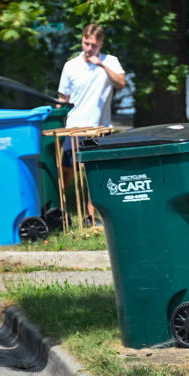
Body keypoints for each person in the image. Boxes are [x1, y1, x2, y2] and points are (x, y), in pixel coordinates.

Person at [57, 23, 126, 226]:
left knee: (95, 172)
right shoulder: (71, 66)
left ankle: (90, 217)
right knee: (68, 168)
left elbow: (121, 83)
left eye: (93, 45)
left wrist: (102, 65)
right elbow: (63, 98)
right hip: (75, 125)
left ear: (101, 43)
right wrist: (58, 110)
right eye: (86, 43)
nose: (88, 49)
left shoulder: (110, 61)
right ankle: (57, 210)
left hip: (100, 126)